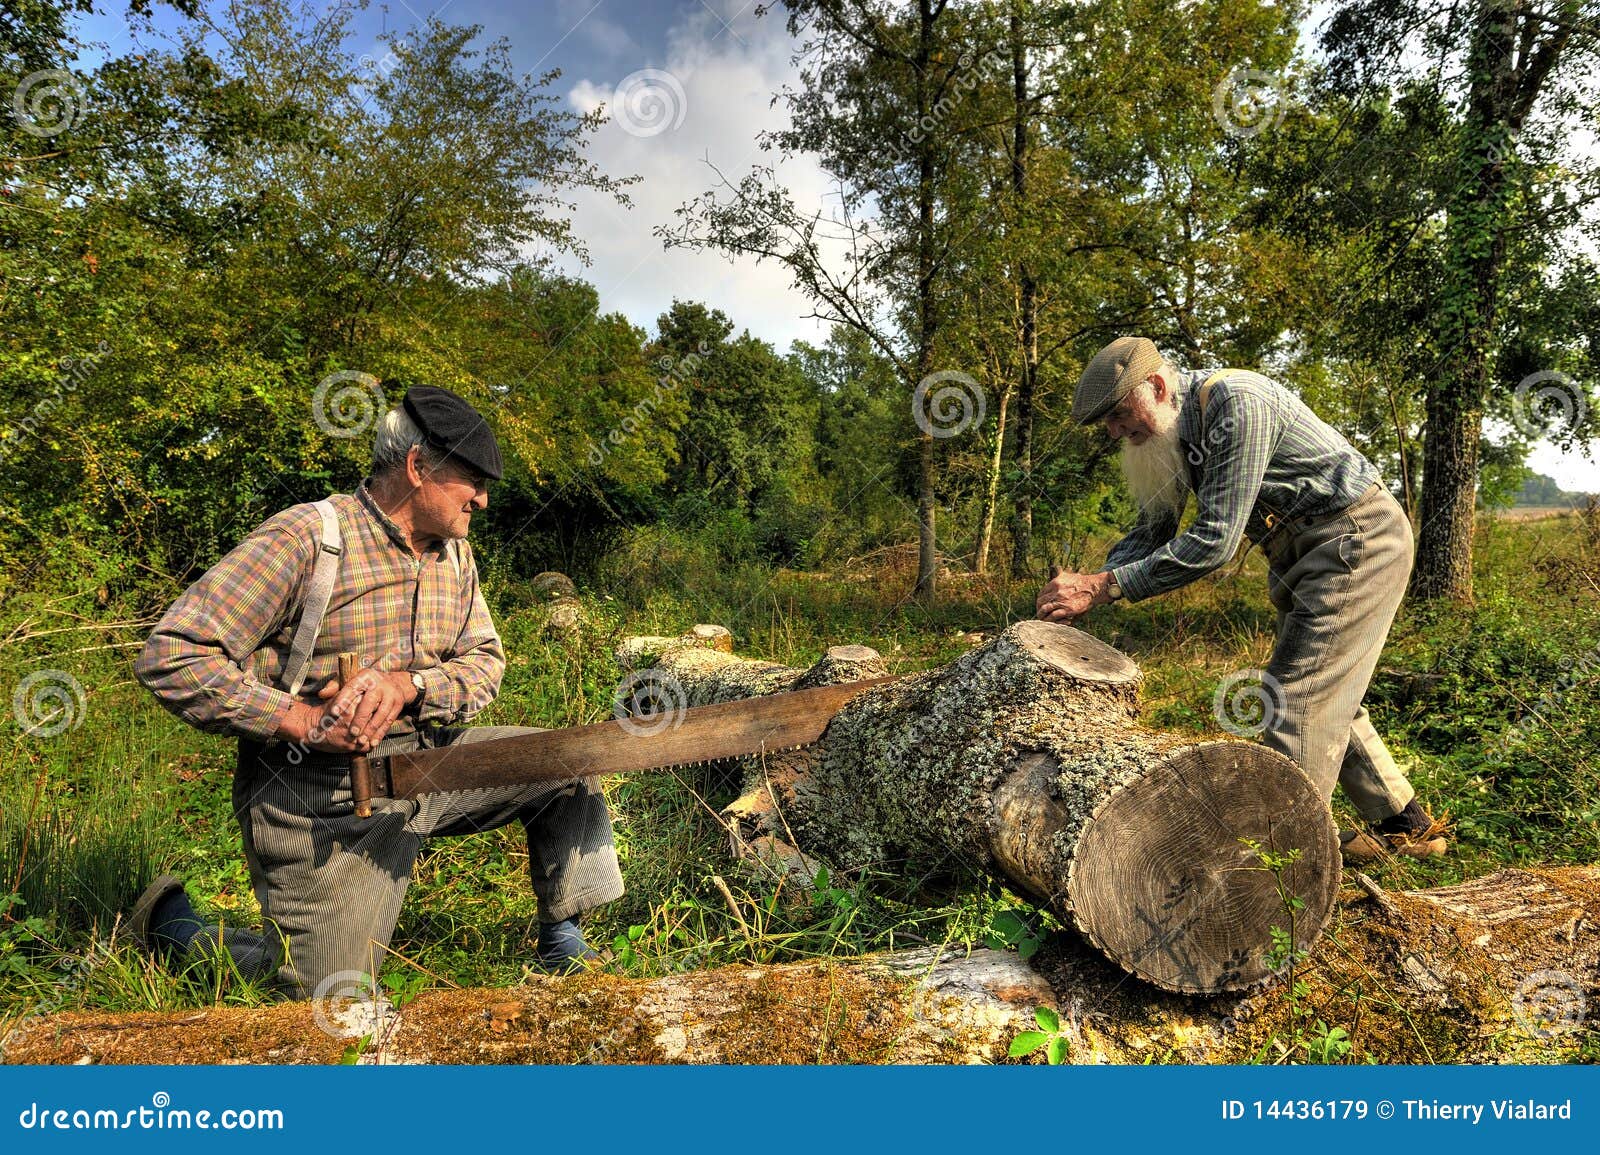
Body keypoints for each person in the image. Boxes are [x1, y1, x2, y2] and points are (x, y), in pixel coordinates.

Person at [131, 385, 624, 997]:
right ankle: (176, 930)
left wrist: (410, 686)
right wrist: (301, 721)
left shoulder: (455, 556)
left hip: (426, 764)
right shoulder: (308, 539)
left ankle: (563, 943)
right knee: (332, 999)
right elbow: (171, 654)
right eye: (473, 481)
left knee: (568, 763)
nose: (484, 500)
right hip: (321, 801)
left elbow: (486, 663)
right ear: (418, 467)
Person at [1036, 337, 1446, 860]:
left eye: (1118, 415)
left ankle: (1285, 865)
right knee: (1324, 689)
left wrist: (1101, 588)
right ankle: (1410, 829)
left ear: (1157, 386)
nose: (1115, 432)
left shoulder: (1236, 403)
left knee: (1296, 699)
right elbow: (1153, 529)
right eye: (1107, 423)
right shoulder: (1169, 433)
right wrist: (1090, 583)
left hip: (1356, 540)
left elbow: (1214, 542)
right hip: (1302, 552)